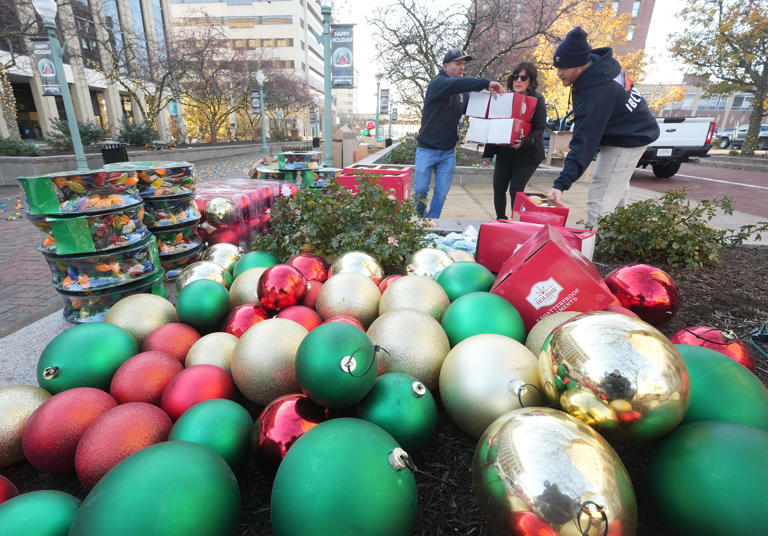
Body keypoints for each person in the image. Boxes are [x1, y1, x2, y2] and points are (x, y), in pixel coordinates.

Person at [546, 26, 659, 228]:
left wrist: (561, 184)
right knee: (615, 193)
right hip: (634, 128)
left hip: (629, 138)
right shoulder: (601, 66)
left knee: (600, 196)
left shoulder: (596, 93)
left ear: (581, 64)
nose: (559, 73)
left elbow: (584, 144)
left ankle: (594, 251)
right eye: (557, 67)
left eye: (563, 68)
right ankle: (618, 236)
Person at [415, 49, 503, 219]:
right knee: (420, 190)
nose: (462, 67)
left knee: (441, 194)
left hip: (448, 153)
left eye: (463, 64)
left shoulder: (463, 93)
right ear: (445, 66)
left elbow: (478, 106)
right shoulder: (437, 84)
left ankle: (431, 223)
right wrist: (486, 82)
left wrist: (490, 97)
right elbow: (457, 85)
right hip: (426, 150)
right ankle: (417, 221)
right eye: (458, 63)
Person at [482, 62, 547, 220]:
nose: (518, 80)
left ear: (530, 81)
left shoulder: (538, 99)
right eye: (515, 77)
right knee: (498, 188)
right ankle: (501, 221)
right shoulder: (505, 97)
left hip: (528, 152)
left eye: (523, 77)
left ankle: (517, 224)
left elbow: (539, 129)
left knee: (516, 190)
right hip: (506, 151)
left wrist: (524, 142)